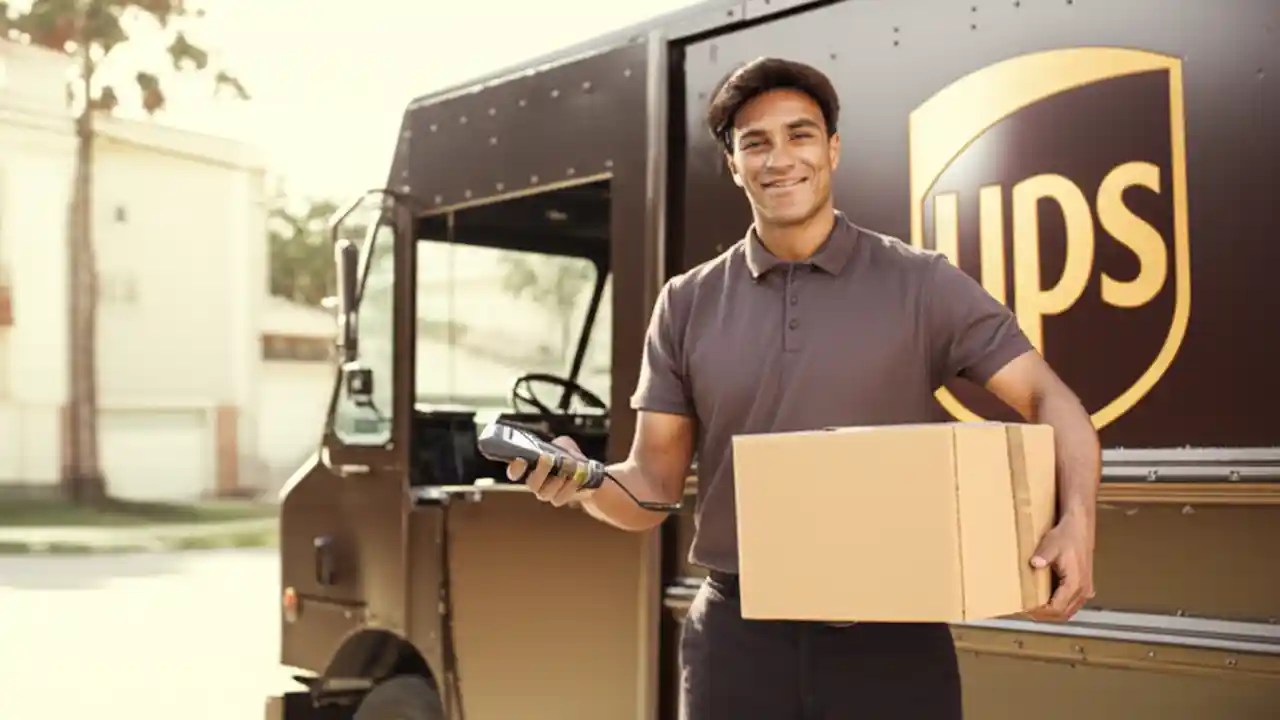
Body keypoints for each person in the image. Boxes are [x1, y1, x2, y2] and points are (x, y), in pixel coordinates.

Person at [506, 57, 1101, 719]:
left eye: (801, 135)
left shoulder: (921, 284)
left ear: (833, 149)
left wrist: (1076, 521)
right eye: (754, 142)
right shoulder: (686, 303)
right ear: (733, 163)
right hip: (737, 644)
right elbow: (652, 487)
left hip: (893, 642)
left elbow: (1052, 400)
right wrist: (584, 481)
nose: (779, 158)